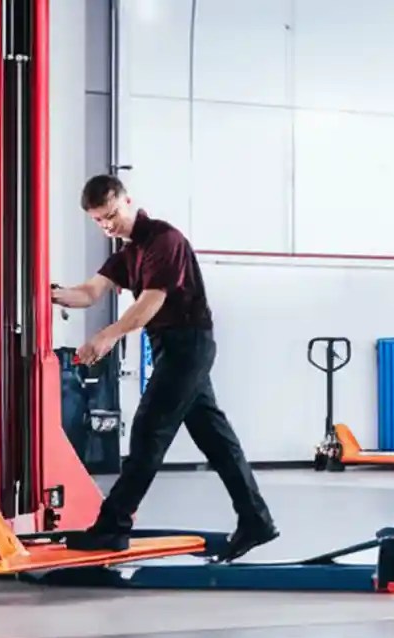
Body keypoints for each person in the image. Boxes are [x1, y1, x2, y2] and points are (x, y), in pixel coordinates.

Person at [51, 174, 278, 562]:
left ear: (127, 201)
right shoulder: (129, 255)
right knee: (216, 439)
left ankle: (113, 527)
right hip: (170, 349)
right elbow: (89, 292)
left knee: (148, 431)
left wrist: (107, 336)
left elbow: (149, 304)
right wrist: (51, 294)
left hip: (187, 345)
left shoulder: (163, 240)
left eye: (111, 215)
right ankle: (256, 520)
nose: (107, 226)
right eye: (98, 221)